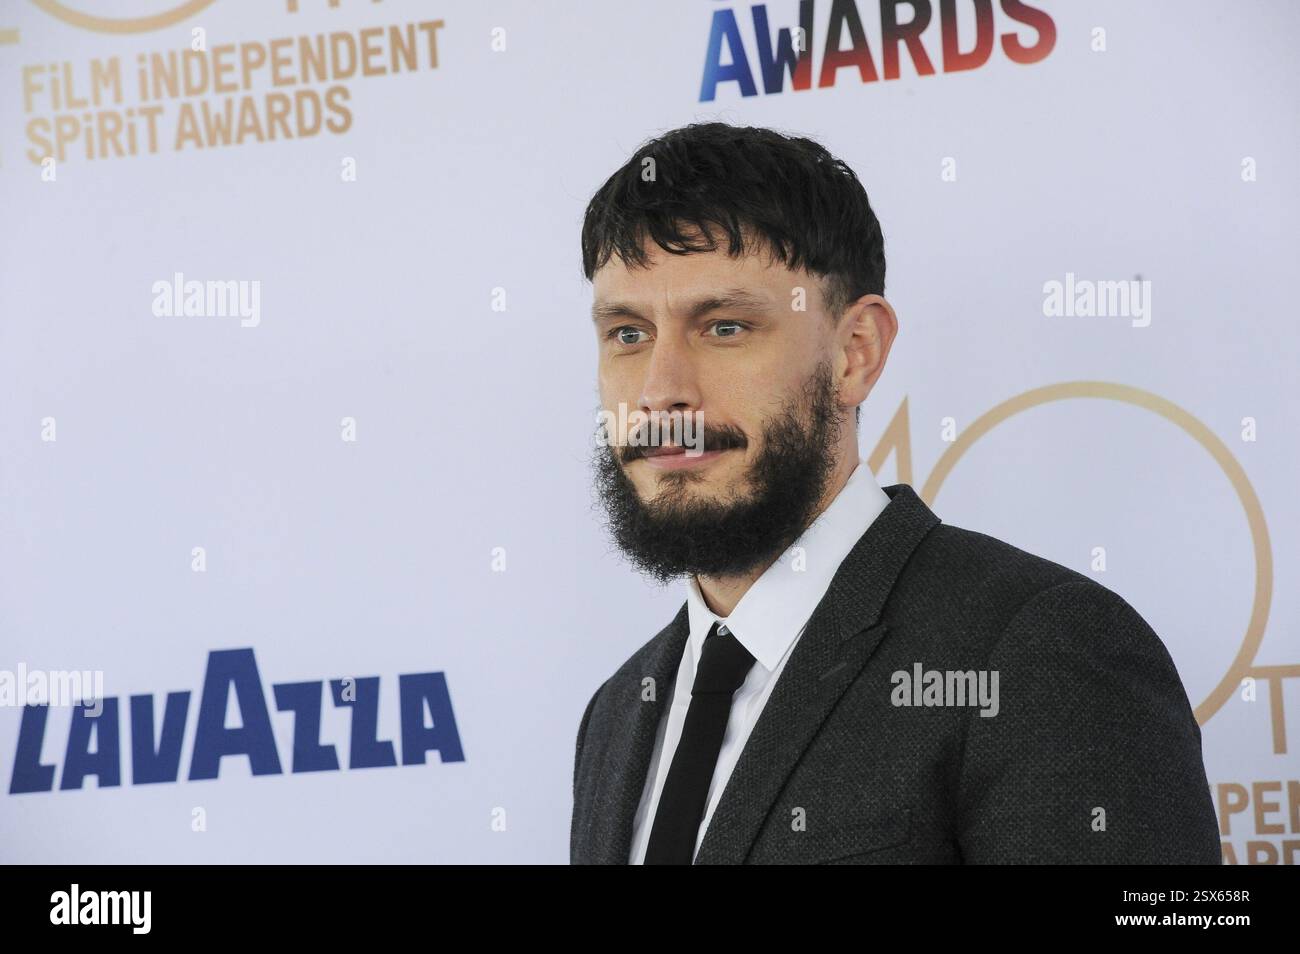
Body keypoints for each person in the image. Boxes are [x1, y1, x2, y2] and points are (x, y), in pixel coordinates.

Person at [572, 122, 1221, 864]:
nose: (660, 394)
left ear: (855, 354)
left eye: (723, 326)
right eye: (627, 334)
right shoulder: (619, 712)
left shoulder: (1041, 653)